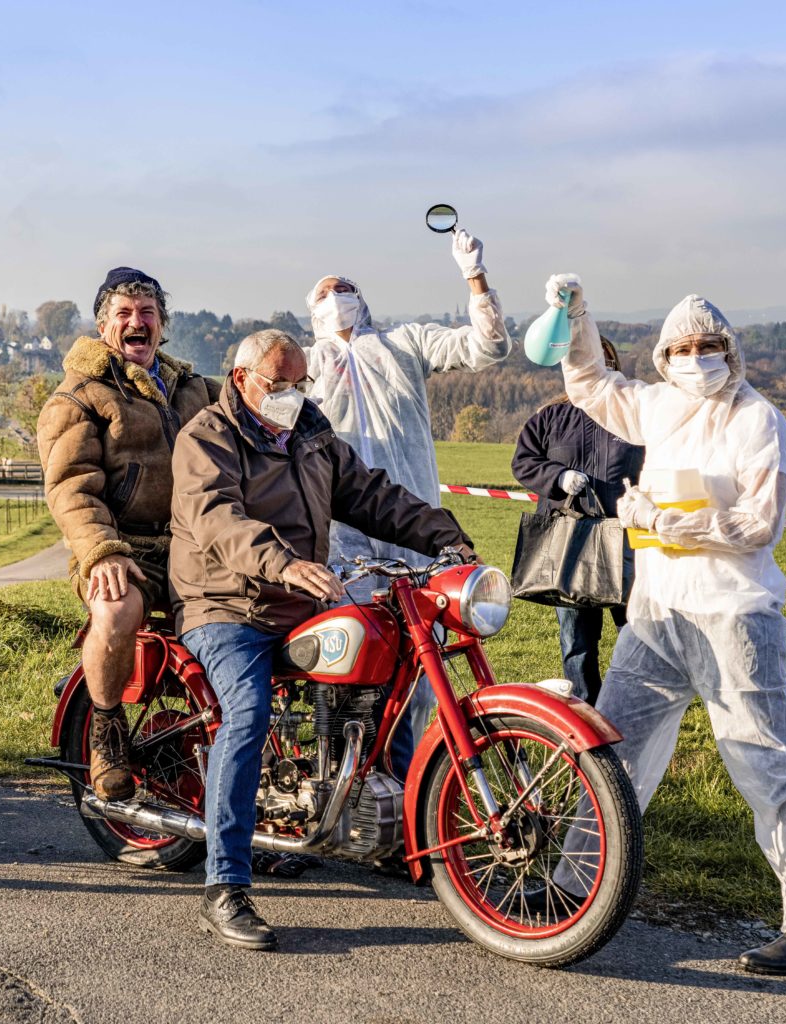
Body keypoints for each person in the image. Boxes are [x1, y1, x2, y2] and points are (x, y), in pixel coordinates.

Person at [541, 276, 786, 976]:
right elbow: (589, 384)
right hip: (656, 614)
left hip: (735, 616)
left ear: (729, 351)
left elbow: (757, 524)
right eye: (680, 348)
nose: (694, 358)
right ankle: (573, 889)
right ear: (664, 356)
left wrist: (661, 519)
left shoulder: (758, 421)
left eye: (707, 346)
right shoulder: (658, 406)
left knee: (768, 763)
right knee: (612, 756)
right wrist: (577, 316)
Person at [170, 329, 475, 950]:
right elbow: (217, 518)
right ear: (242, 379)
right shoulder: (207, 435)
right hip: (225, 603)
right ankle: (225, 884)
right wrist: (283, 564)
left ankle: (383, 832)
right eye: (278, 383)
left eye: (300, 382)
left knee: (386, 671)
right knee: (248, 712)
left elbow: (372, 495)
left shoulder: (311, 433)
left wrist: (443, 534)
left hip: (298, 600)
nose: (291, 394)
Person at [305, 230, 510, 779]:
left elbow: (488, 347)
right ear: (312, 311)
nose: (336, 296)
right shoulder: (309, 364)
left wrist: (474, 276)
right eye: (324, 292)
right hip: (343, 538)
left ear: (362, 299)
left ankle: (402, 782)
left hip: (415, 529)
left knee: (420, 665)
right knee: (352, 662)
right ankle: (344, 781)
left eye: (344, 288)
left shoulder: (404, 344)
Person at [36, 267, 219, 802]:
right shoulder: (79, 397)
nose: (136, 322)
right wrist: (101, 552)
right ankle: (107, 731)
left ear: (162, 324)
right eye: (124, 314)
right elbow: (71, 487)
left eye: (147, 313)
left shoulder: (196, 390)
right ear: (103, 327)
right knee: (115, 611)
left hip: (196, 548)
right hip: (125, 548)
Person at [511, 336, 645, 703]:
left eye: (601, 359)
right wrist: (557, 477)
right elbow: (523, 461)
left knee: (637, 632)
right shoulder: (551, 417)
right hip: (567, 541)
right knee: (576, 641)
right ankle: (586, 708)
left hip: (625, 540)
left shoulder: (632, 415)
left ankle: (633, 704)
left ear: (613, 364)